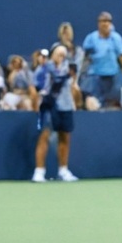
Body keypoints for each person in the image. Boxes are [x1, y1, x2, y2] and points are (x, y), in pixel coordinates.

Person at [32, 45, 80, 182]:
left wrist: (73, 102)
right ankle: (39, 172)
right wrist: (36, 102)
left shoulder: (68, 69)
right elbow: (36, 86)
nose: (61, 56)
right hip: (49, 106)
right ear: (52, 54)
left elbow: (72, 86)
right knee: (44, 137)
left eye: (63, 54)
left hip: (66, 106)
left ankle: (63, 170)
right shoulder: (44, 68)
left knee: (65, 138)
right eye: (59, 53)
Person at [80, 11, 122, 110]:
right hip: (96, 77)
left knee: (115, 104)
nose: (106, 24)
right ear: (98, 23)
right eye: (103, 21)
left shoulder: (117, 38)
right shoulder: (91, 38)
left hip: (113, 76)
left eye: (108, 21)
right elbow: (85, 58)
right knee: (95, 105)